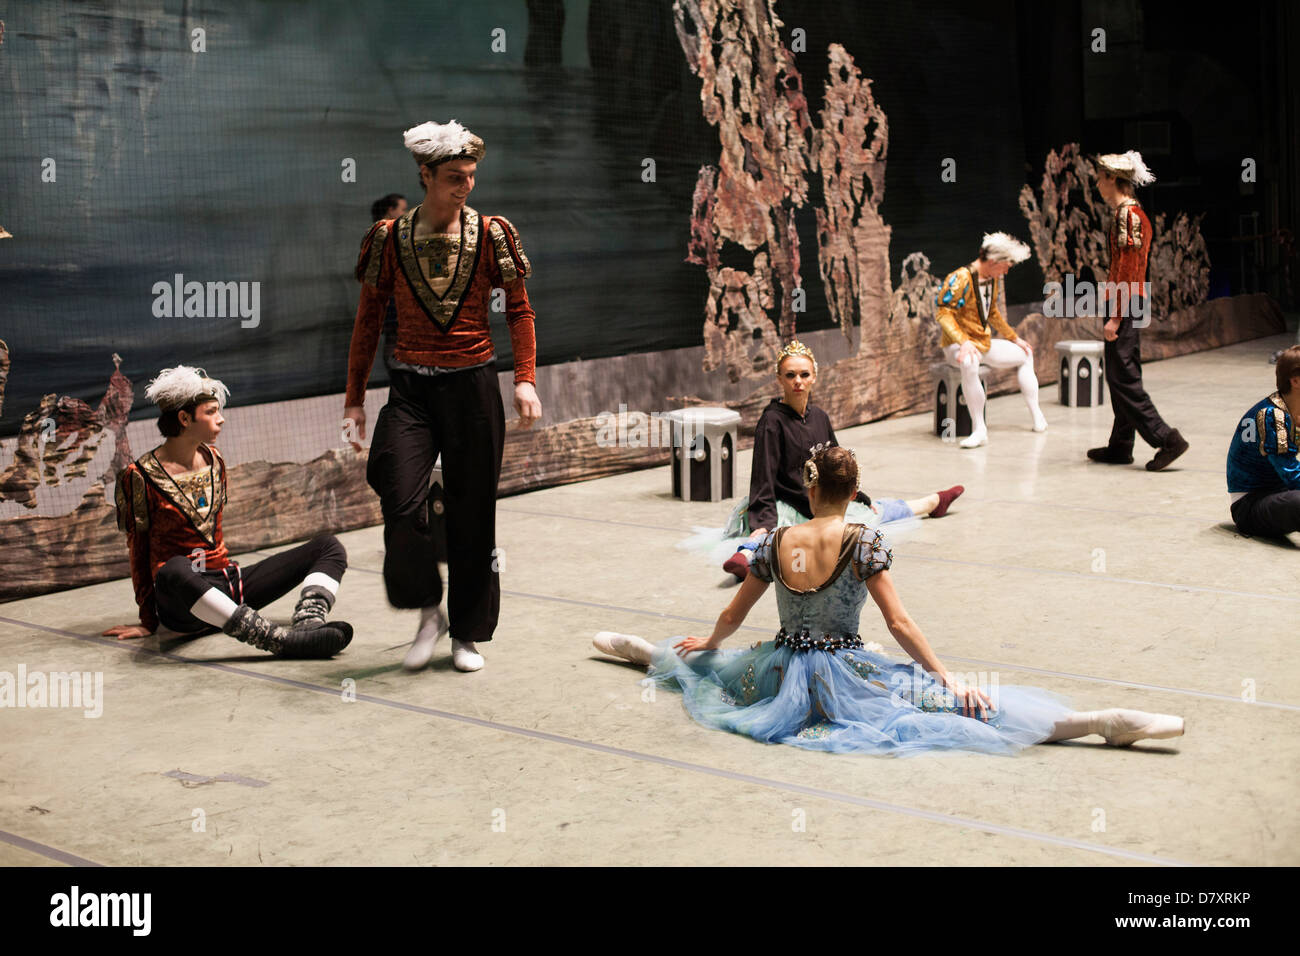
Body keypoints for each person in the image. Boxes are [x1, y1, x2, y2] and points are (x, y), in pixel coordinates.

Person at [598, 446, 1185, 755]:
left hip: (780, 668)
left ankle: (646, 652)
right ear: (853, 494)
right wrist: (949, 676)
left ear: (809, 491)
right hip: (844, 668)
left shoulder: (777, 540)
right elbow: (898, 622)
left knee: (713, 668)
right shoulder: (863, 537)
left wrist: (712, 639)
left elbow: (734, 614)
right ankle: (1095, 723)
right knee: (942, 705)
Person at [342, 119, 542, 674]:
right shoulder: (389, 239)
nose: (465, 186)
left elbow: (520, 309)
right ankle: (430, 611)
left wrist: (524, 377)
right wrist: (354, 399)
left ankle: (468, 632)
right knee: (400, 497)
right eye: (454, 177)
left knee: (473, 512)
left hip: (473, 386)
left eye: (471, 176)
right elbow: (367, 321)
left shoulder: (493, 234)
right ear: (425, 174)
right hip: (410, 389)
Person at [104, 367, 353, 657]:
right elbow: (138, 550)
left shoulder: (215, 459)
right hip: (183, 602)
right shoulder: (139, 476)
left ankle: (308, 623)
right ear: (185, 419)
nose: (220, 418)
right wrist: (148, 621)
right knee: (172, 568)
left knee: (328, 546)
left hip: (227, 587)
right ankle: (276, 640)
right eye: (211, 412)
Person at [687, 340, 963, 582]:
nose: (798, 381)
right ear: (779, 379)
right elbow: (764, 476)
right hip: (788, 502)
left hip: (822, 499)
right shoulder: (771, 421)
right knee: (774, 533)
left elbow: (836, 460)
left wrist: (857, 495)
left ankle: (933, 502)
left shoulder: (819, 416)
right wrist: (763, 518)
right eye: (790, 375)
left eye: (804, 375)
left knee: (873, 511)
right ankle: (747, 556)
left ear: (814, 377)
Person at [1086, 150, 1189, 471]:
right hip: (1126, 300)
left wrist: (1115, 315)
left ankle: (1167, 438)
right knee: (1121, 373)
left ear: (1114, 180)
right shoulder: (1128, 214)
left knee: (1123, 376)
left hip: (1125, 302)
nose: (1098, 184)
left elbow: (1129, 269)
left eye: (1101, 179)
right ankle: (1120, 445)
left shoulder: (1128, 217)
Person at [935, 232, 1047, 448]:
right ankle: (979, 429)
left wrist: (1015, 338)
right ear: (994, 261)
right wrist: (963, 341)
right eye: (1005, 266)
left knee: (1025, 354)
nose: (1006, 271)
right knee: (969, 362)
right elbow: (943, 314)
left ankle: (1037, 416)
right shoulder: (960, 278)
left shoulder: (993, 280)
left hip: (982, 343)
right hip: (957, 345)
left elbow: (992, 313)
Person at [1227, 344, 1300, 538]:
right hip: (1251, 504)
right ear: (1296, 381)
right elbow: (1291, 475)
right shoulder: (1273, 416)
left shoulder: (1293, 408)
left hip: (1281, 492)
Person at [370, 193, 408, 371]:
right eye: (402, 209)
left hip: (394, 299)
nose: (405, 214)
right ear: (390, 210)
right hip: (393, 300)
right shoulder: (384, 235)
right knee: (395, 339)